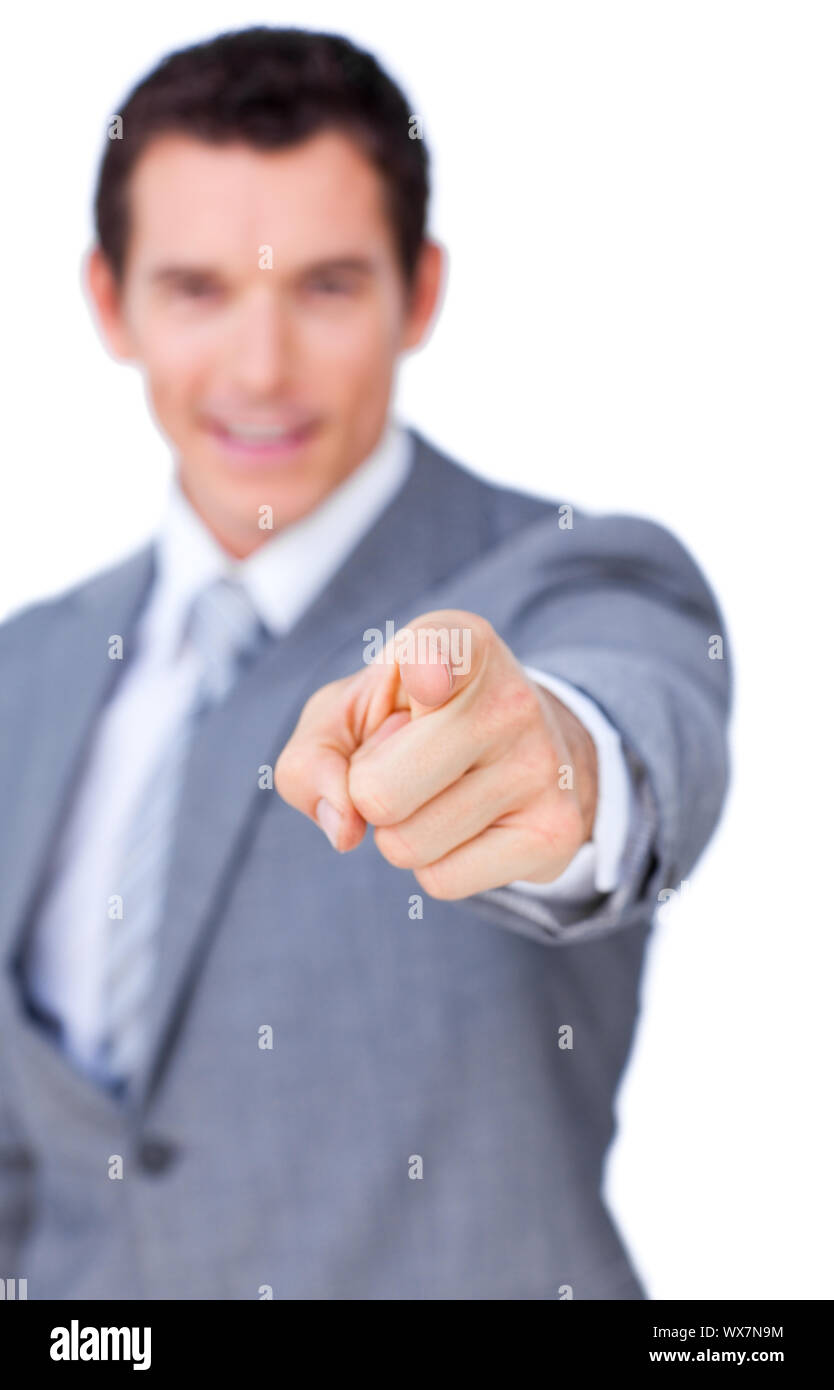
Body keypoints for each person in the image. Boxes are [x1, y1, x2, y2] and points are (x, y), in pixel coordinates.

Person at [0, 25, 731, 1300]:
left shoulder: (569, 576)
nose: (261, 368)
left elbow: (629, 723)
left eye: (328, 286)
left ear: (422, 291)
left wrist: (555, 756)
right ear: (110, 304)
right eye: (199, 289)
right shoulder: (27, 671)